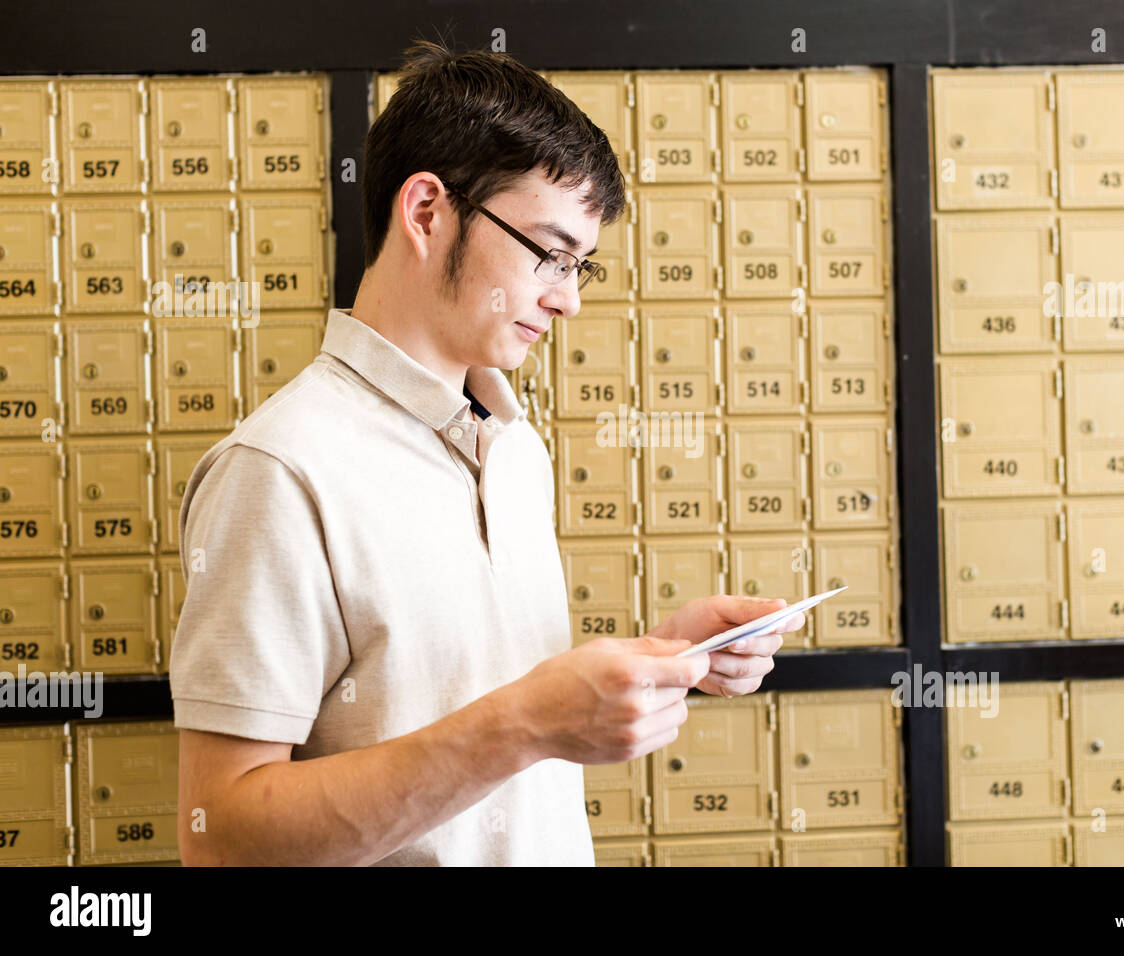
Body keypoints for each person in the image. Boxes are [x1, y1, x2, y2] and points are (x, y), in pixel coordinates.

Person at [170, 40, 802, 866]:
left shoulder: (512, 443)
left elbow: (467, 699)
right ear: (427, 211)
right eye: (548, 252)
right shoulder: (279, 470)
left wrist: (662, 659)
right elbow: (222, 839)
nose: (568, 300)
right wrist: (530, 722)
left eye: (581, 267)